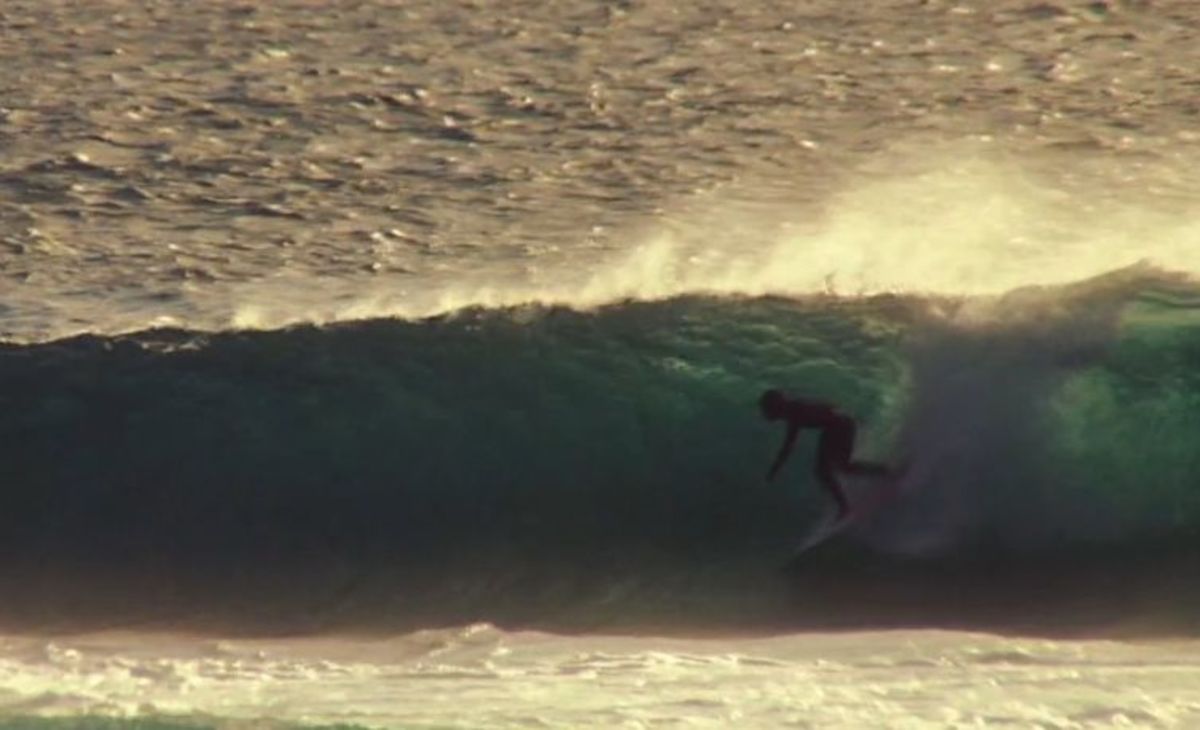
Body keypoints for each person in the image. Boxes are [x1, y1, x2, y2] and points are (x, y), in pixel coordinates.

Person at [759, 389, 894, 520]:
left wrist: (774, 470)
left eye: (767, 410)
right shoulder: (794, 408)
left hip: (839, 426)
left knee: (826, 470)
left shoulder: (794, 411)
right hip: (841, 424)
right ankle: (884, 472)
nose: (767, 414)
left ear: (776, 405)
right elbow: (828, 407)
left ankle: (845, 507)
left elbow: (788, 446)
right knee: (840, 467)